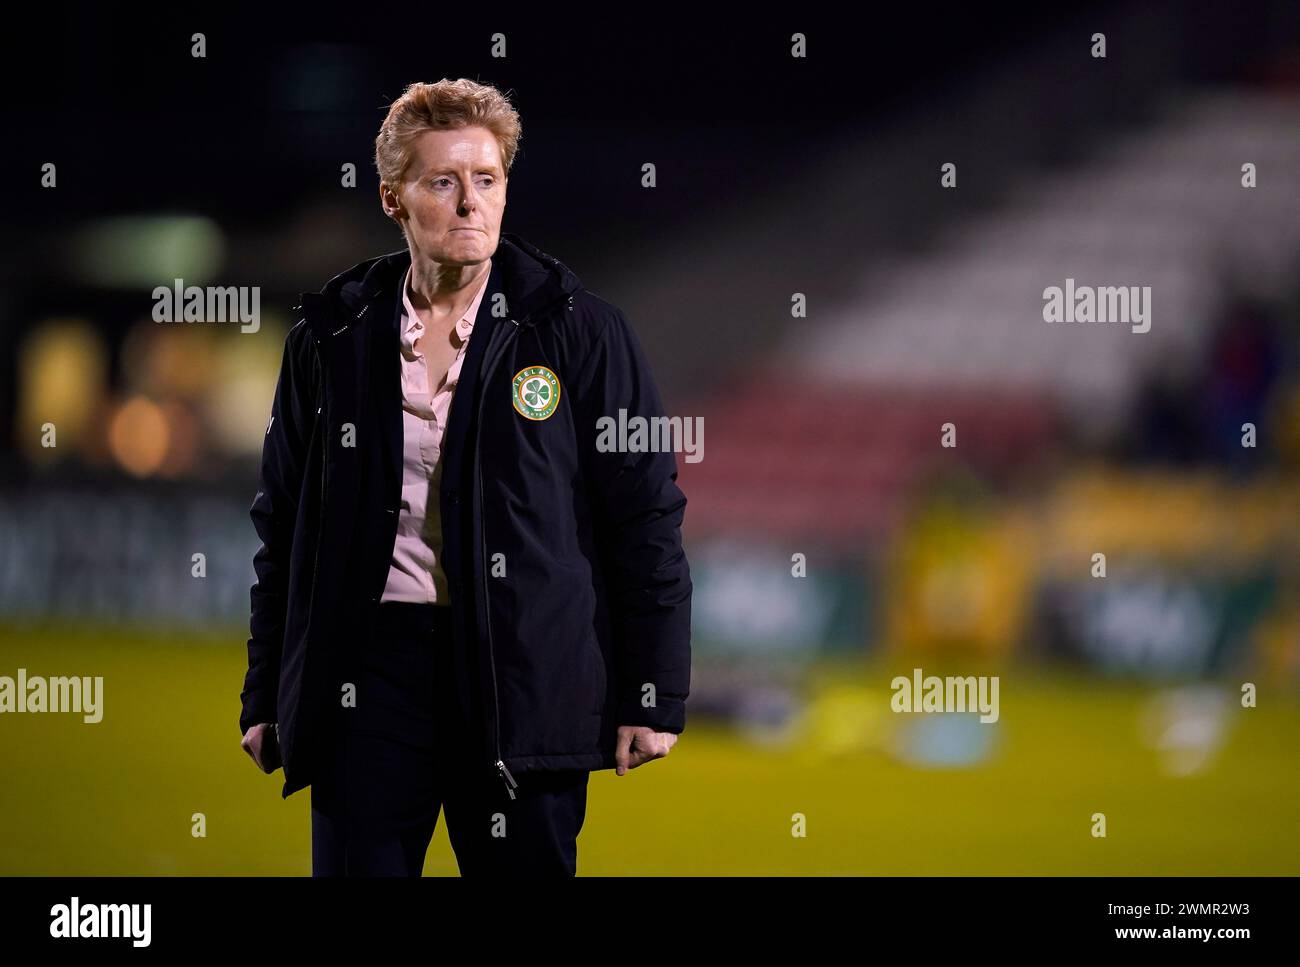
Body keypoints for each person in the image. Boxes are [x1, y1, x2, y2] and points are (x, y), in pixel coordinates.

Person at [238, 78, 692, 876]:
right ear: (393, 197)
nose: (468, 203)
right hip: (368, 680)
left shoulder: (580, 330)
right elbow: (283, 525)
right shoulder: (332, 336)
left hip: (521, 670)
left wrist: (652, 689)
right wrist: (266, 692)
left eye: (486, 180)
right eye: (441, 182)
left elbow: (645, 515)